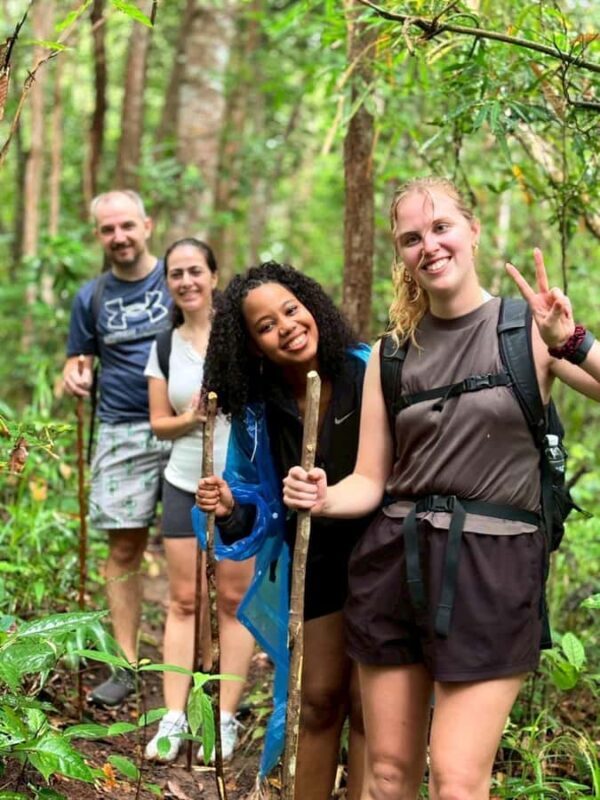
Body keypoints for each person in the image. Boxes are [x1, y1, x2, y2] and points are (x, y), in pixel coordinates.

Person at [282, 176, 600, 800]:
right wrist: (323, 496)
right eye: (411, 238)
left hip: (494, 569)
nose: (428, 246)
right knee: (389, 774)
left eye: (441, 228)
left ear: (473, 232)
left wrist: (571, 341)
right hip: (394, 568)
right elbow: (372, 480)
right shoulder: (390, 354)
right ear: (400, 254)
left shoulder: (527, 330)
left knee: (456, 779)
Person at [195, 261, 370, 800]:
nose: (287, 326)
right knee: (316, 699)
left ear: (311, 306)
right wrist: (227, 506)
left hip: (381, 557)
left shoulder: (370, 371)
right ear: (253, 347)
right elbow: (254, 506)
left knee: (370, 707)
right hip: (313, 562)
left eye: (291, 310)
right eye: (266, 326)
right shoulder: (256, 413)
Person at [143, 238, 255, 762]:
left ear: (213, 275)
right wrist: (192, 419)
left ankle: (226, 718)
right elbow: (159, 424)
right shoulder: (164, 345)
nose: (186, 281)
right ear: (168, 283)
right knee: (183, 601)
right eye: (176, 274)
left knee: (233, 603)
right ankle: (174, 715)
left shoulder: (242, 339)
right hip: (182, 485)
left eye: (195, 271)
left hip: (238, 492)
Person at [63, 190, 171, 707]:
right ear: (99, 236)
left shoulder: (179, 277)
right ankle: (127, 664)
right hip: (122, 429)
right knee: (124, 548)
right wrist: (74, 373)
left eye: (127, 226)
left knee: (193, 548)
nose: (119, 237)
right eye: (108, 230)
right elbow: (78, 359)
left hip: (184, 428)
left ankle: (201, 666)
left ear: (147, 225)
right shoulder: (92, 297)